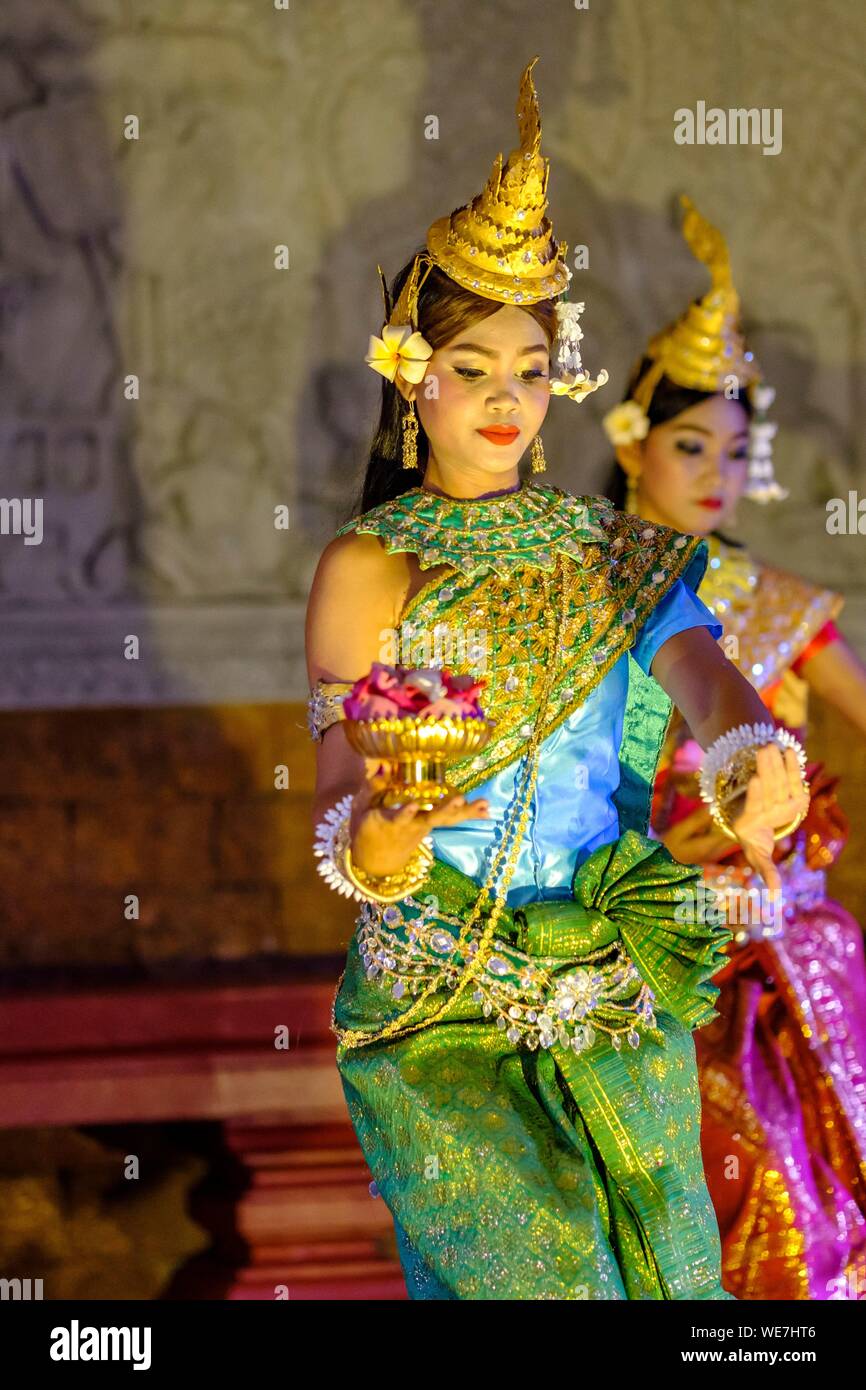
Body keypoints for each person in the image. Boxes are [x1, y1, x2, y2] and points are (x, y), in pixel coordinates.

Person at [304, 61, 809, 1301]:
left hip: (609, 984)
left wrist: (754, 756)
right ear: (412, 373)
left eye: (527, 370)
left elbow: (701, 671)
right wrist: (375, 841)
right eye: (471, 367)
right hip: (440, 1007)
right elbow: (343, 785)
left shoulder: (613, 555)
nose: (502, 398)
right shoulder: (379, 567)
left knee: (670, 1286)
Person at [604, 195, 866, 1300]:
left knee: (789, 1204)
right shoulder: (583, 598)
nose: (714, 472)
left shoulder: (780, 606)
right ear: (630, 439)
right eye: (689, 443)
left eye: (736, 451)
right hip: (623, 949)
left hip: (773, 954)